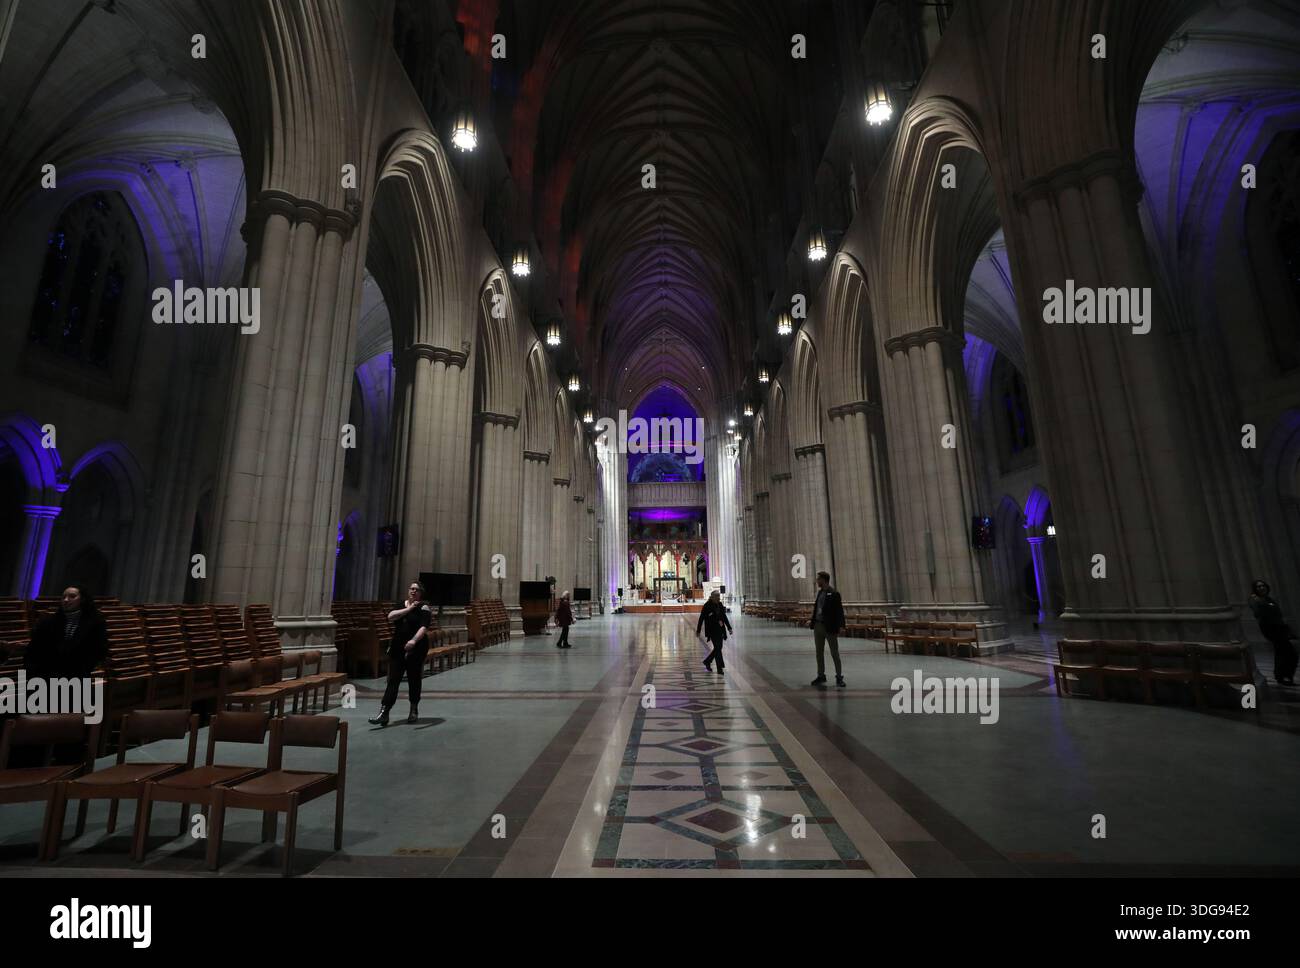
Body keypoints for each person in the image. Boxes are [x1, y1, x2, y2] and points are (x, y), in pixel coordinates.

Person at [368, 581, 432, 726]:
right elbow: (391, 617)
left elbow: (423, 627)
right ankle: (384, 712)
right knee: (393, 679)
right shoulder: (400, 604)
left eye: (416, 589)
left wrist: (414, 641)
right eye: (411, 589)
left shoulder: (424, 607)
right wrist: (408, 609)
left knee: (414, 678)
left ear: (421, 593)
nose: (413, 591)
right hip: (398, 647)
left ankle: (413, 710)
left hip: (416, 647)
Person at [25, 586, 108, 680]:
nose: (66, 600)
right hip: (47, 676)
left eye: (72, 596)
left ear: (83, 600)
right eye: (63, 597)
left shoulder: (95, 623)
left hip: (77, 676)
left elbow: (99, 651)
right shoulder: (48, 622)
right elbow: (34, 649)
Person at [1249, 579, 1297, 686]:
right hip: (1272, 630)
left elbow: (1277, 614)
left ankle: (1283, 675)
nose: (1261, 588)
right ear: (1255, 589)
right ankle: (1282, 675)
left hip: (1280, 629)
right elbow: (1259, 614)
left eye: (1263, 586)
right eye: (1258, 586)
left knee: (1284, 652)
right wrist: (1259, 601)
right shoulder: (1256, 600)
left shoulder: (1268, 599)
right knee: (1288, 652)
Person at [809, 571, 845, 688]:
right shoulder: (820, 593)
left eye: (818, 579)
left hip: (829, 627)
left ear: (824, 580)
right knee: (819, 652)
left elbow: (839, 611)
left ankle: (839, 676)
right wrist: (812, 621)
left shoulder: (834, 593)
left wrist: (841, 626)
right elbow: (817, 609)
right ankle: (821, 675)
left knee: (834, 652)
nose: (817, 581)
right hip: (818, 626)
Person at [695, 590, 732, 674]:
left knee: (718, 648)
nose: (718, 598)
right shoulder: (707, 606)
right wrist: (698, 630)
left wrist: (729, 628)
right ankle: (719, 668)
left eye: (719, 596)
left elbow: (724, 617)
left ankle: (707, 661)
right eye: (717, 596)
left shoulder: (720, 605)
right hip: (712, 630)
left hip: (720, 630)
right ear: (712, 597)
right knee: (718, 648)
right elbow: (701, 618)